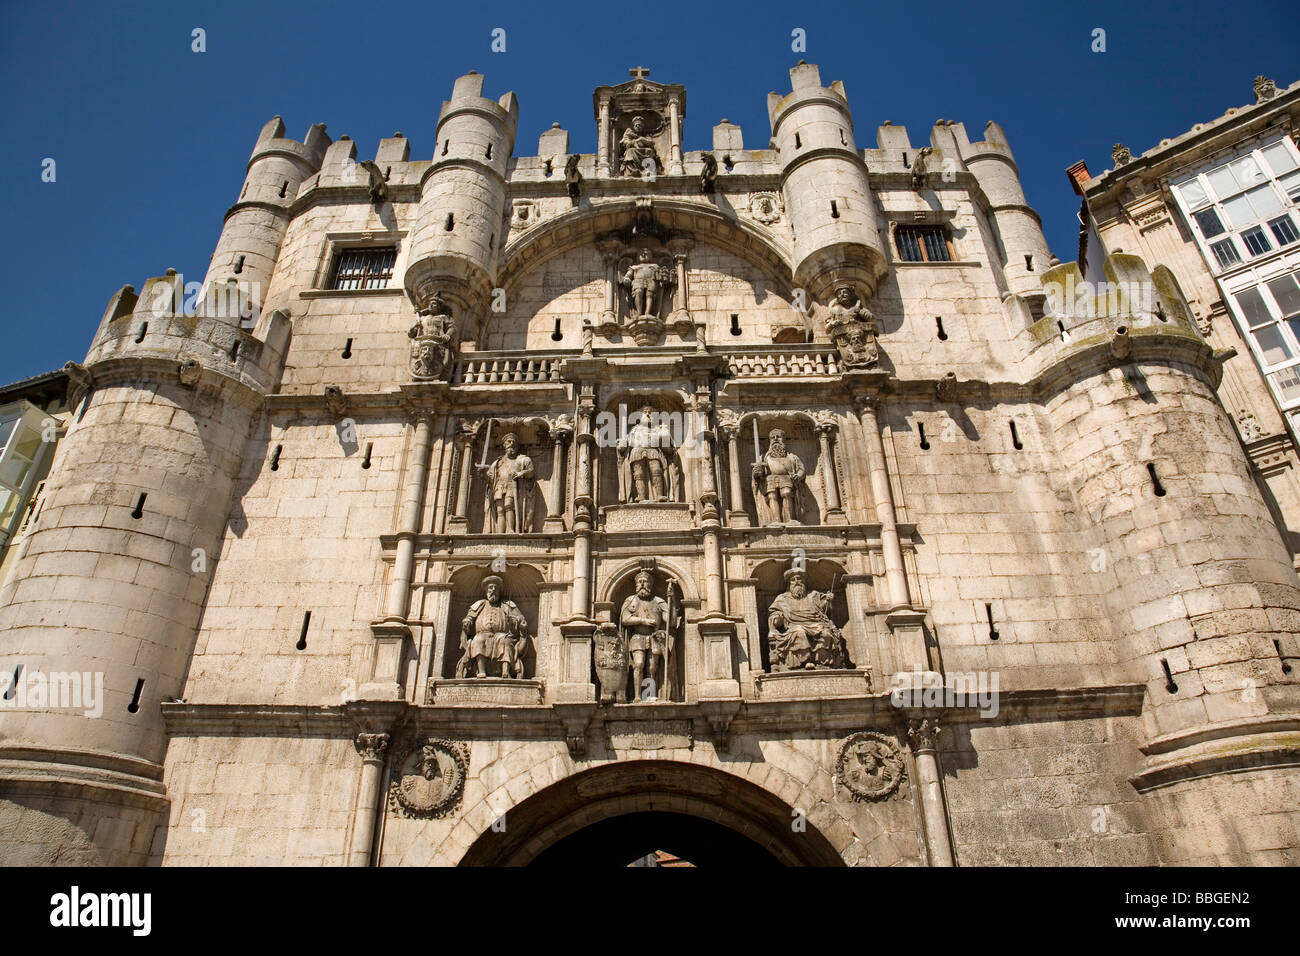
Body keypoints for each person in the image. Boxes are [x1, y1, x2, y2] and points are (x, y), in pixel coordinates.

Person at [768, 569, 847, 670]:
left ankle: (822, 662)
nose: (797, 582)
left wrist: (828, 601)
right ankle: (805, 661)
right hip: (793, 626)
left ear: (804, 582)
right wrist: (776, 618)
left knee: (825, 633)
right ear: (789, 584)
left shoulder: (814, 595)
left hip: (816, 624)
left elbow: (825, 610)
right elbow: (775, 613)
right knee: (799, 632)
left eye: (800, 579)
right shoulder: (782, 598)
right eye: (793, 579)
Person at [459, 575, 530, 678]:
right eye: (490, 588)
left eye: (496, 588)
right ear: (486, 591)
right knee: (478, 640)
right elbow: (469, 617)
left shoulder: (507, 604)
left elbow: (521, 619)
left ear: (500, 591)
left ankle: (505, 671)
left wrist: (517, 622)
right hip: (482, 634)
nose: (493, 590)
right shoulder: (479, 604)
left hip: (502, 635)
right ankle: (481, 671)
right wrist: (467, 622)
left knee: (506, 642)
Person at [477, 433, 534, 533]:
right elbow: (490, 479)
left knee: (509, 506)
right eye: (509, 441)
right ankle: (500, 532)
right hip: (499, 487)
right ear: (504, 445)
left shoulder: (523, 459)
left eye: (513, 442)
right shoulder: (498, 462)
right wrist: (482, 474)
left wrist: (521, 473)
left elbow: (531, 473)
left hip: (513, 486)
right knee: (499, 510)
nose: (511, 444)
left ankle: (511, 530)